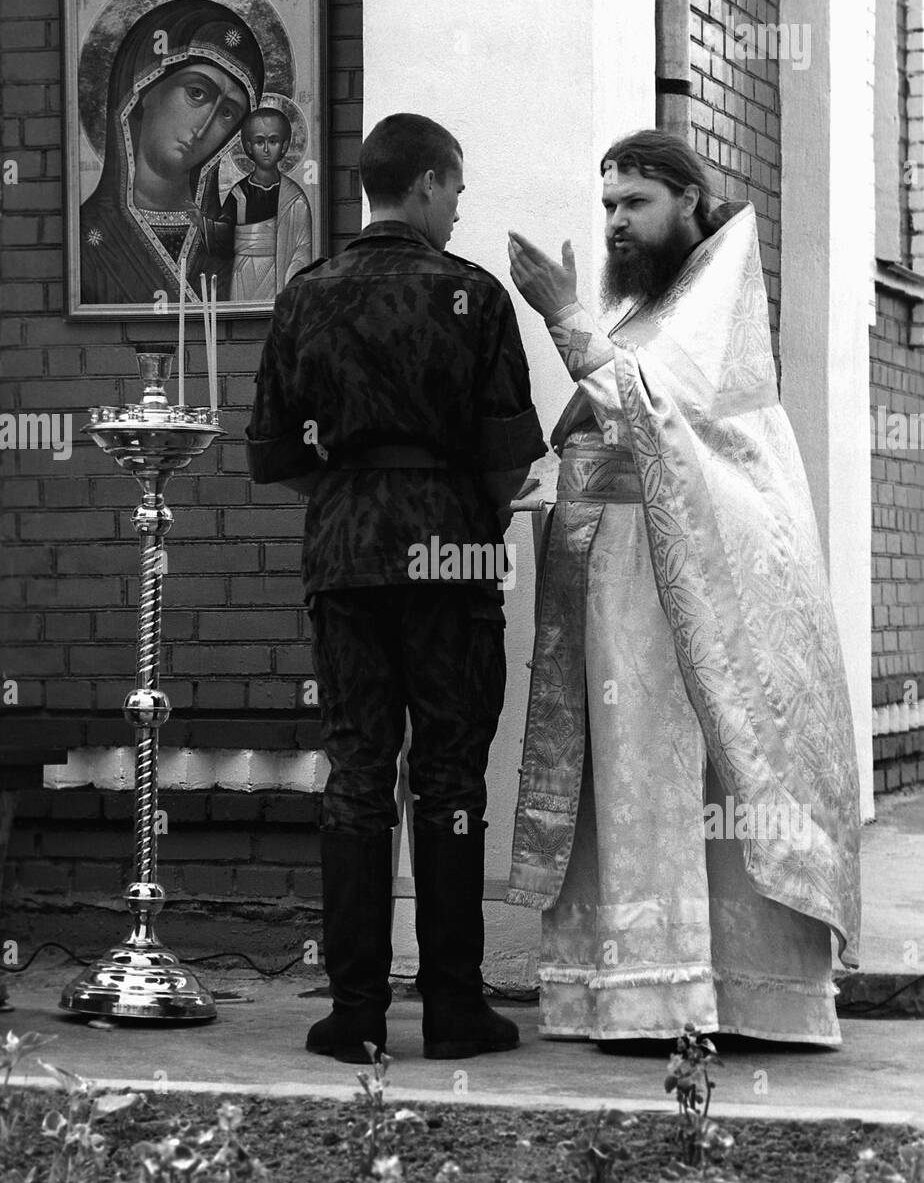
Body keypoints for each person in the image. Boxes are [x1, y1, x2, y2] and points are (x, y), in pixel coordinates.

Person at [505, 129, 861, 1050]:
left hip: (680, 589)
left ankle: (707, 992)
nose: (618, 221)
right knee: (629, 777)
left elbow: (656, 409)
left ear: (691, 205)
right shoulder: (648, 310)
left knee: (677, 775)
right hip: (623, 580)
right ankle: (633, 990)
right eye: (610, 203)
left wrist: (563, 317)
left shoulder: (718, 292)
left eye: (637, 203)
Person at [246, 112, 546, 1062]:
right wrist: (475, 511)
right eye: (455, 190)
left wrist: (347, 491)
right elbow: (507, 459)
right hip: (450, 554)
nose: (459, 209)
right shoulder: (473, 295)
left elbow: (269, 455)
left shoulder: (305, 295)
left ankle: (356, 1013)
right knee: (451, 773)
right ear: (424, 184)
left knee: (358, 772)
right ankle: (455, 1006)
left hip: (344, 554)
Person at [80, 0, 264, 306]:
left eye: (228, 114)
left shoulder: (228, 244)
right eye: (197, 93)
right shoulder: (86, 238)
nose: (204, 129)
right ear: (147, 87)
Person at [205, 107, 313, 303]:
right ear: (248, 147)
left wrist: (291, 287)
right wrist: (204, 225)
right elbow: (224, 238)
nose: (265, 149)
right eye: (259, 142)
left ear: (284, 146)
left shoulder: (294, 198)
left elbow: (302, 249)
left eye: (272, 141)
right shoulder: (238, 194)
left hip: (279, 274)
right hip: (244, 274)